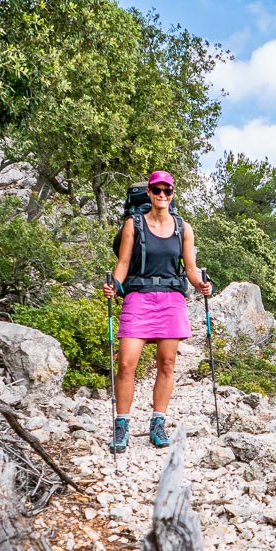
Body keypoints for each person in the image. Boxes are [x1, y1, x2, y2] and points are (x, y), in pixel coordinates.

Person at [102, 170, 211, 451]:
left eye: (167, 191)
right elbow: (124, 264)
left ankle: (157, 423)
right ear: (149, 193)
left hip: (171, 300)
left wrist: (201, 284)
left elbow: (189, 268)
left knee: (167, 363)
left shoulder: (183, 228)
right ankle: (122, 425)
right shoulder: (133, 225)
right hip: (138, 297)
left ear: (172, 194)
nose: (162, 195)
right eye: (157, 190)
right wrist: (114, 285)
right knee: (126, 363)